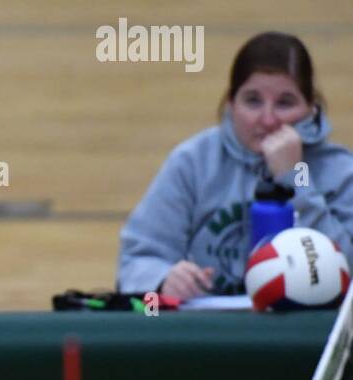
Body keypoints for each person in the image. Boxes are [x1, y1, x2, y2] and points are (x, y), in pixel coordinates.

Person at [118, 32, 353, 298]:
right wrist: (162, 279)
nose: (267, 120)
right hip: (208, 332)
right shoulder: (193, 163)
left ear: (311, 108)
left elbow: (346, 271)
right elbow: (136, 260)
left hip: (307, 333)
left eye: (285, 103)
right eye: (253, 101)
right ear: (231, 103)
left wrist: (295, 175)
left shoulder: (340, 171)